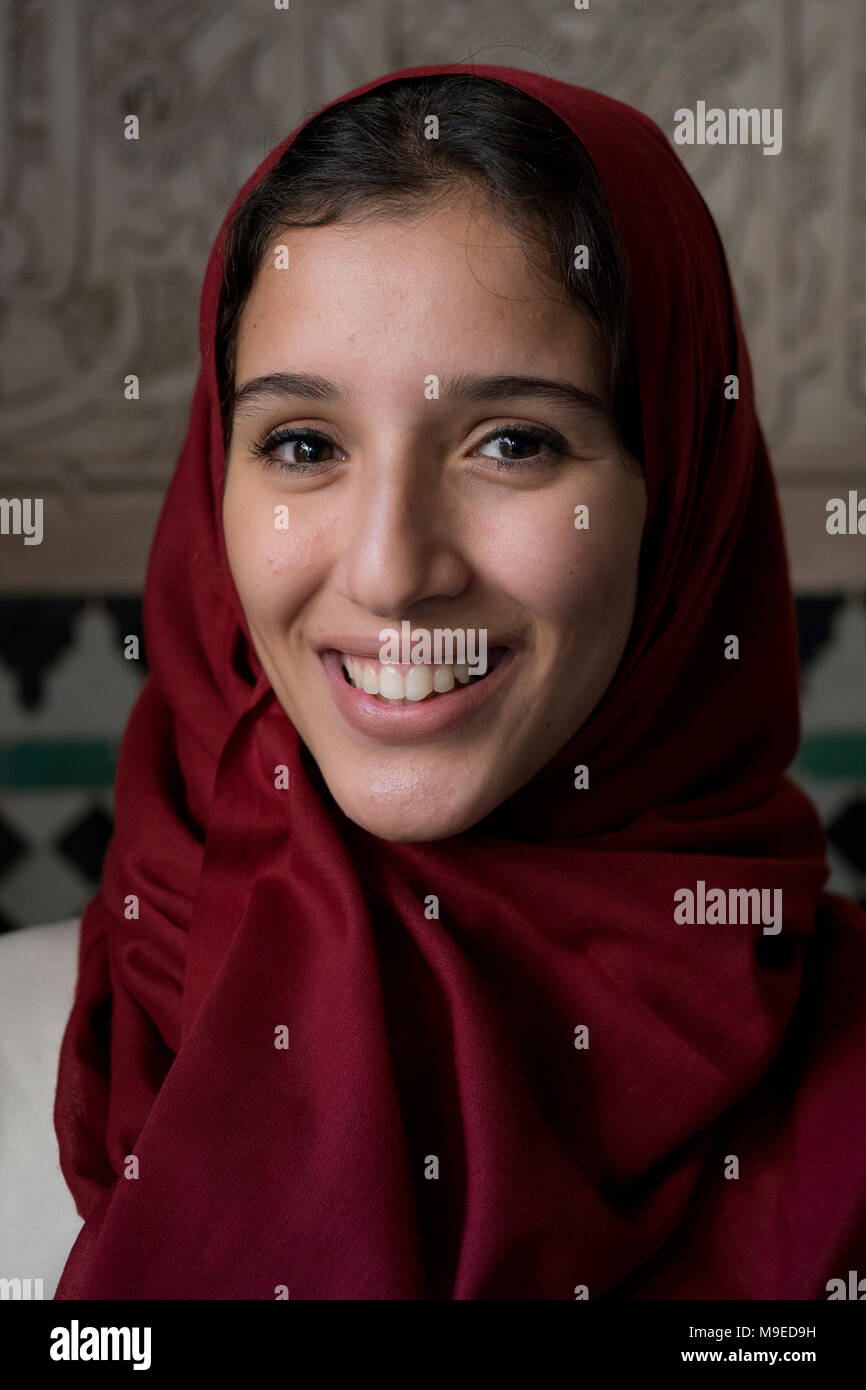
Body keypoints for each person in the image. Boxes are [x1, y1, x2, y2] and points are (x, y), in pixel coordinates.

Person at [50, 63, 866, 1301]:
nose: (389, 572)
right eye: (304, 445)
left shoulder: (843, 1075)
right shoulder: (47, 1033)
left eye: (513, 442)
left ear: (680, 495)